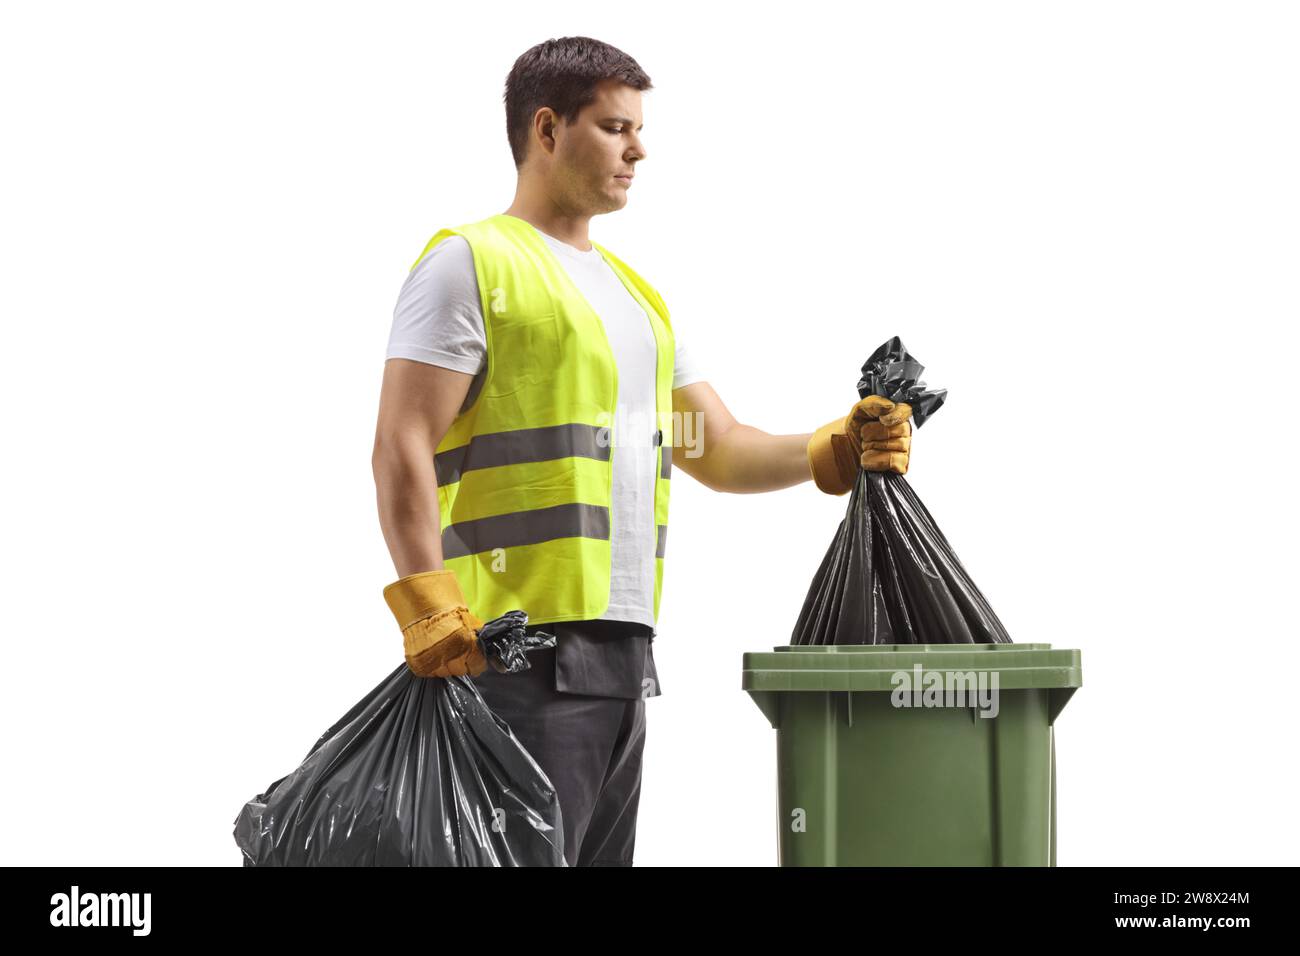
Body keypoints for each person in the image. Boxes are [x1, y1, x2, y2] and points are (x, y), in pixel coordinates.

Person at [370, 36, 913, 867]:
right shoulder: (471, 264)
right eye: (615, 126)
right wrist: (430, 607)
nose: (639, 148)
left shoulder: (638, 300)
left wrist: (835, 448)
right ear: (546, 130)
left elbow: (717, 446)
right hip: (511, 650)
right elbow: (400, 440)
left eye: (639, 128)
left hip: (622, 656)